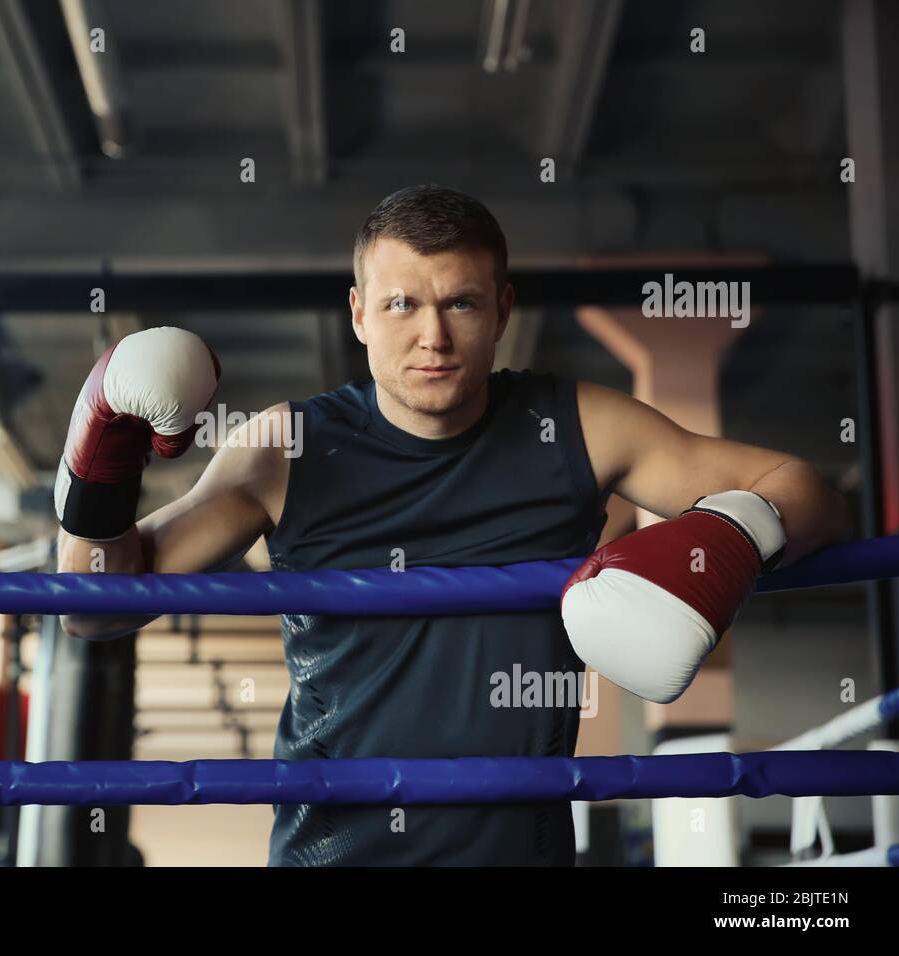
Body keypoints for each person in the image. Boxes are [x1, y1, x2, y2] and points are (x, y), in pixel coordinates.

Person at [54, 184, 851, 865]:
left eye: (460, 301)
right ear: (360, 313)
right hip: (331, 858)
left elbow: (803, 489)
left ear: (501, 309)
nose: (431, 335)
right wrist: (99, 468)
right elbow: (95, 608)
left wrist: (726, 538)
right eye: (402, 303)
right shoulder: (286, 446)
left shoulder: (574, 425)